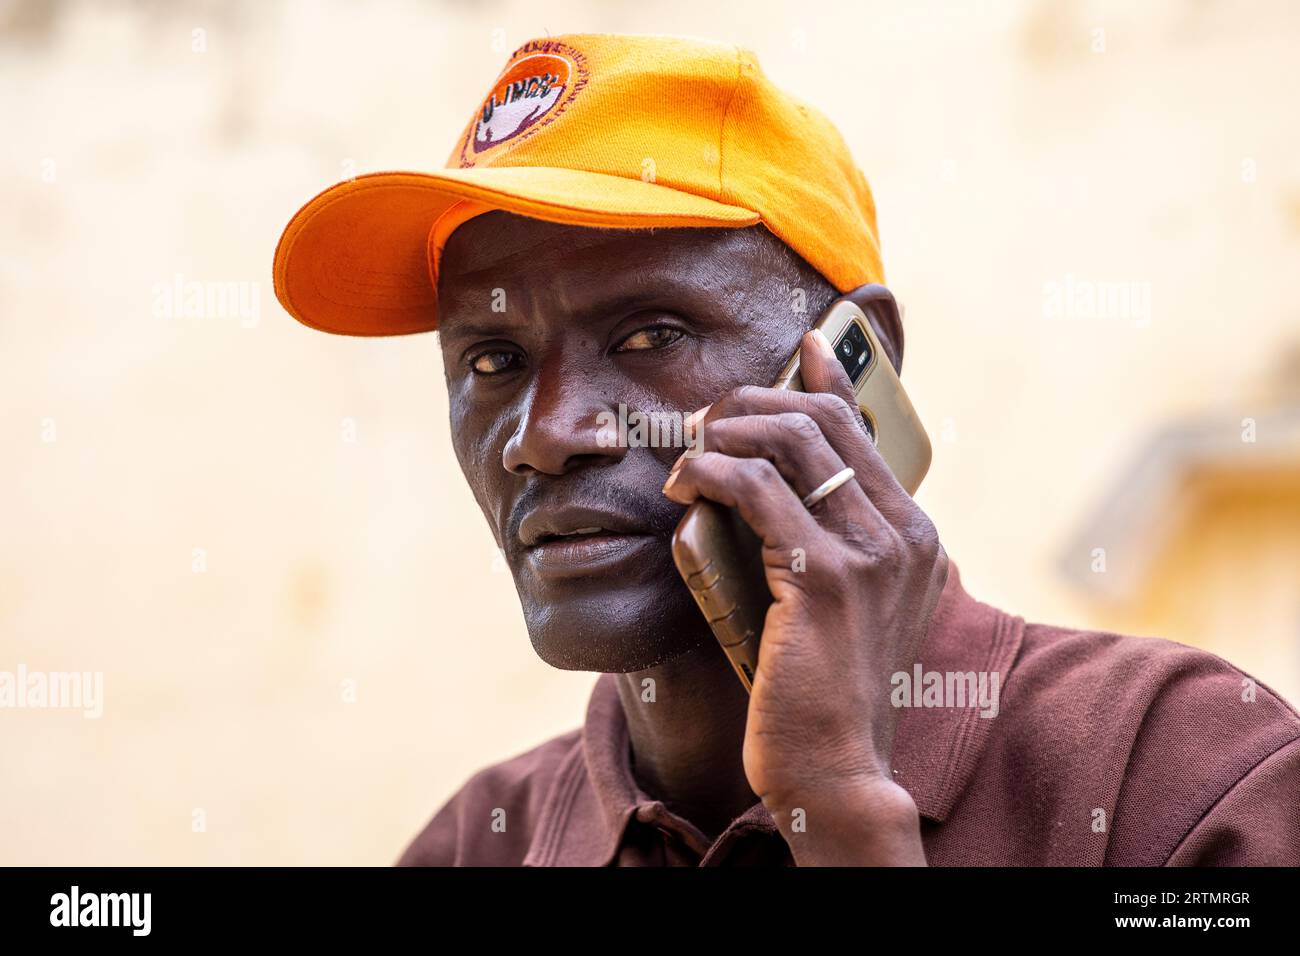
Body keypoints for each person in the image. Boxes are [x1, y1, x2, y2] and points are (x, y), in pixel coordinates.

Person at [272, 33, 1300, 866]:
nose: (546, 434)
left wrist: (840, 808)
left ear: (856, 364)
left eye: (648, 337)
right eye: (493, 358)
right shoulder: (478, 841)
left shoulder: (1183, 777)